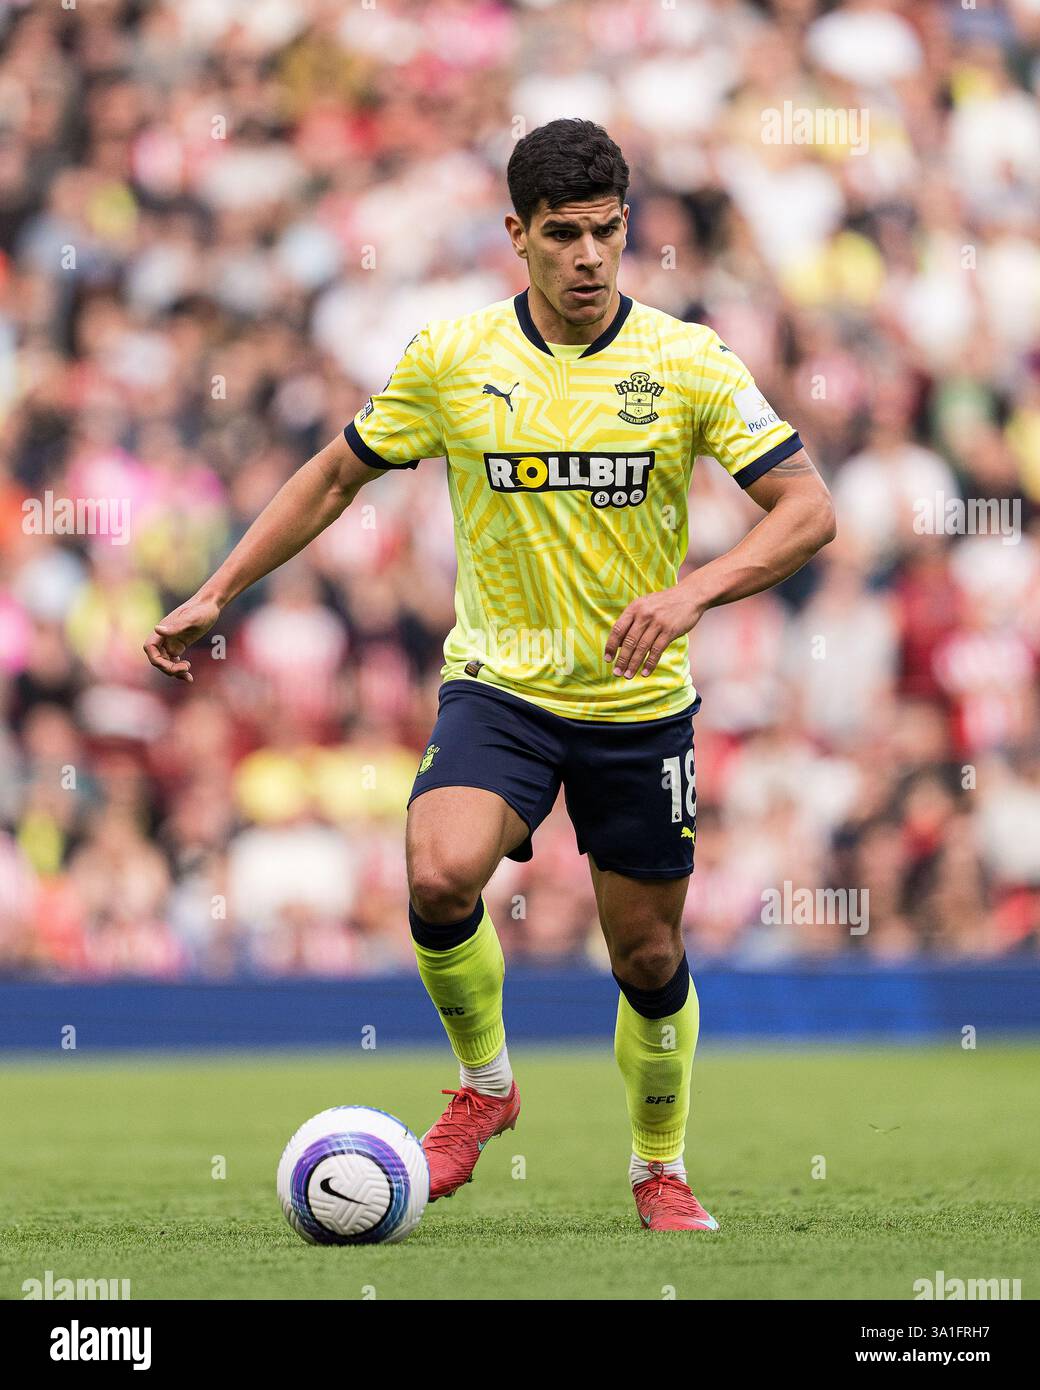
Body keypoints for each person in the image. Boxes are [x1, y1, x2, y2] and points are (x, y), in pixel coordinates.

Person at [145, 118, 836, 1231]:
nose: (587, 257)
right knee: (437, 875)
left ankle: (656, 1166)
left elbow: (807, 509)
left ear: (627, 226)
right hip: (500, 688)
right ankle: (485, 1087)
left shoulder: (688, 360)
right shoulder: (452, 358)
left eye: (606, 232)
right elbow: (333, 479)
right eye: (562, 234)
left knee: (646, 952)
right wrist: (218, 591)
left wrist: (691, 594)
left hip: (637, 703)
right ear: (516, 234)